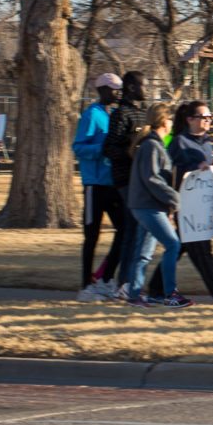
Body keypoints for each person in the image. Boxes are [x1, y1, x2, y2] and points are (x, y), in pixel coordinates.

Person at [170, 100, 213, 305]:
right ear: (190, 119)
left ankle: (157, 288)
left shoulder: (207, 143)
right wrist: (195, 167)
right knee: (201, 252)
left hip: (202, 207)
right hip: (185, 206)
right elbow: (171, 172)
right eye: (204, 117)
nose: (208, 120)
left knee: (180, 247)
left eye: (210, 117)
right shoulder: (179, 142)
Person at [122, 104, 189, 308]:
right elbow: (152, 178)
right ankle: (170, 294)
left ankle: (134, 294)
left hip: (148, 205)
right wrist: (174, 198)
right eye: (169, 119)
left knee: (143, 252)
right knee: (173, 244)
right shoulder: (152, 146)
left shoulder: (154, 144)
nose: (171, 123)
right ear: (163, 121)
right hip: (148, 206)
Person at [75, 73, 132, 300]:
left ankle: (106, 278)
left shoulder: (116, 115)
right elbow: (79, 147)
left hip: (113, 184)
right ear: (102, 90)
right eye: (114, 89)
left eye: (120, 89)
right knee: (92, 236)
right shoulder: (91, 115)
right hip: (94, 185)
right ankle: (86, 285)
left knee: (125, 229)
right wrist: (103, 147)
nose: (118, 93)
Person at [100, 70, 150, 289]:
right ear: (131, 88)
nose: (145, 90)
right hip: (125, 180)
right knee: (133, 228)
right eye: (143, 85)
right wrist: (132, 150)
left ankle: (127, 281)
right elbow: (109, 148)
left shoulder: (143, 113)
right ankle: (126, 282)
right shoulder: (121, 115)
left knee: (137, 229)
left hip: (140, 179)